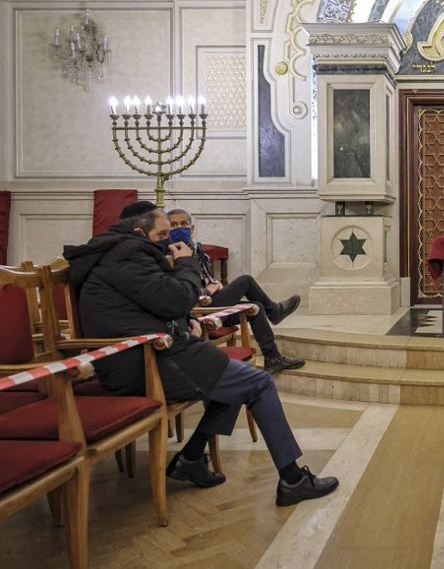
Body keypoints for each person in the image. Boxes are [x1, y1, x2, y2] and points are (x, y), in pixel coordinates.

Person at [63, 201, 338, 507]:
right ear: (140, 232)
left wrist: (185, 321)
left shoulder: (120, 252)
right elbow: (178, 298)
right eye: (163, 233)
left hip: (152, 353)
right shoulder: (127, 255)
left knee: (235, 385)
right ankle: (293, 480)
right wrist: (186, 264)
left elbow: (146, 303)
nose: (170, 240)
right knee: (258, 383)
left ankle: (191, 458)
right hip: (143, 362)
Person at [166, 208, 305, 373]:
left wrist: (215, 284)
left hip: (211, 305)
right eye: (173, 225)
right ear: (166, 230)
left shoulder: (195, 250)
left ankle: (272, 357)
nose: (179, 228)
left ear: (192, 228)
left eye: (184, 224)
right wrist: (208, 291)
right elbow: (182, 294)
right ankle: (274, 312)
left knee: (256, 307)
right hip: (198, 313)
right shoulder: (169, 256)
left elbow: (204, 279)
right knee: (245, 281)